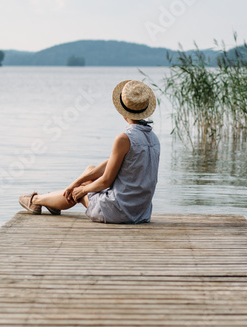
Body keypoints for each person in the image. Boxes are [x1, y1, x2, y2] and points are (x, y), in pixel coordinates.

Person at [19, 79, 161, 224]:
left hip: (119, 212)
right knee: (90, 171)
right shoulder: (153, 138)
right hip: (140, 212)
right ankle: (52, 202)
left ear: (123, 110)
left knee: (78, 192)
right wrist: (76, 182)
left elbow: (106, 181)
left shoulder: (124, 139)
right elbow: (111, 163)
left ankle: (37, 200)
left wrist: (82, 189)